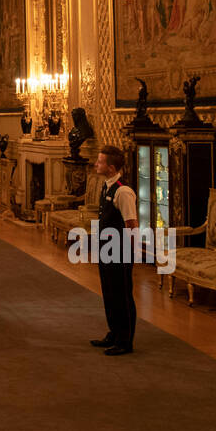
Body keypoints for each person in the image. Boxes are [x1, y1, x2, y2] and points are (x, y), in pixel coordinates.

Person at [90, 144, 139, 356]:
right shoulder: (107, 186)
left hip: (120, 251)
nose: (96, 164)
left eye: (99, 162)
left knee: (122, 295)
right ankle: (114, 331)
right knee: (109, 293)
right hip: (107, 249)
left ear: (110, 168)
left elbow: (131, 225)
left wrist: (130, 254)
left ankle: (125, 340)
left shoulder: (123, 191)